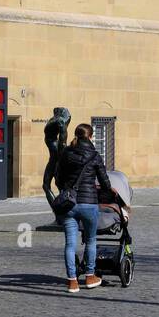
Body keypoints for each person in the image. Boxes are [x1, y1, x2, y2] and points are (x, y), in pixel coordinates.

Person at [54, 122, 117, 293]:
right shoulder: (95, 155)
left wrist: (67, 188)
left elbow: (58, 178)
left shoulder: (66, 153)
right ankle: (90, 276)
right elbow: (105, 183)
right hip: (89, 204)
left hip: (69, 204)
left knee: (70, 244)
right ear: (90, 137)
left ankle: (72, 282)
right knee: (90, 240)